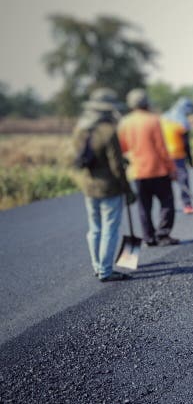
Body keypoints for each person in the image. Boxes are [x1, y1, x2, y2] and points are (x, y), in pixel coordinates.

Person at [72, 88, 135, 282]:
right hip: (109, 188)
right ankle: (106, 271)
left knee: (95, 228)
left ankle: (97, 267)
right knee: (110, 229)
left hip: (89, 187)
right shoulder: (108, 131)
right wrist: (128, 189)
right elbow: (116, 166)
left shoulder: (80, 130)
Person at [118, 89, 179, 246]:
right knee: (167, 203)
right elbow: (161, 148)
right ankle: (163, 234)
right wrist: (172, 168)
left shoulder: (125, 122)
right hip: (158, 170)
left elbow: (122, 148)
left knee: (144, 206)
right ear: (146, 103)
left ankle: (149, 237)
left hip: (138, 172)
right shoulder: (153, 120)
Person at [161, 97, 193, 214]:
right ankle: (187, 205)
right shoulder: (183, 121)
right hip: (177, 155)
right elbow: (185, 143)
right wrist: (191, 160)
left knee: (165, 182)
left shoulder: (164, 117)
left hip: (164, 156)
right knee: (183, 179)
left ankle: (167, 208)